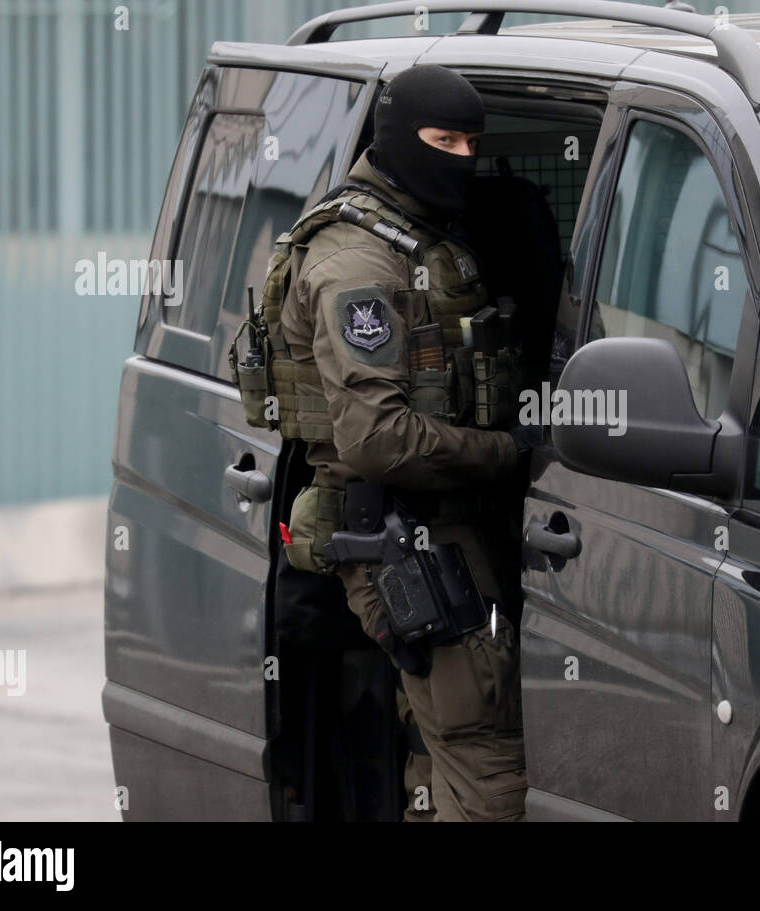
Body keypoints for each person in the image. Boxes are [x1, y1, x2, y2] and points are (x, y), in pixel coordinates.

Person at [275, 65, 538, 821]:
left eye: (470, 142)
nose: (459, 156)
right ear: (398, 140)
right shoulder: (358, 260)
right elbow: (376, 439)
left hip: (436, 524)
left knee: (436, 759)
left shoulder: (419, 235)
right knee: (490, 770)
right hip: (402, 535)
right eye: (442, 139)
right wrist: (510, 450)